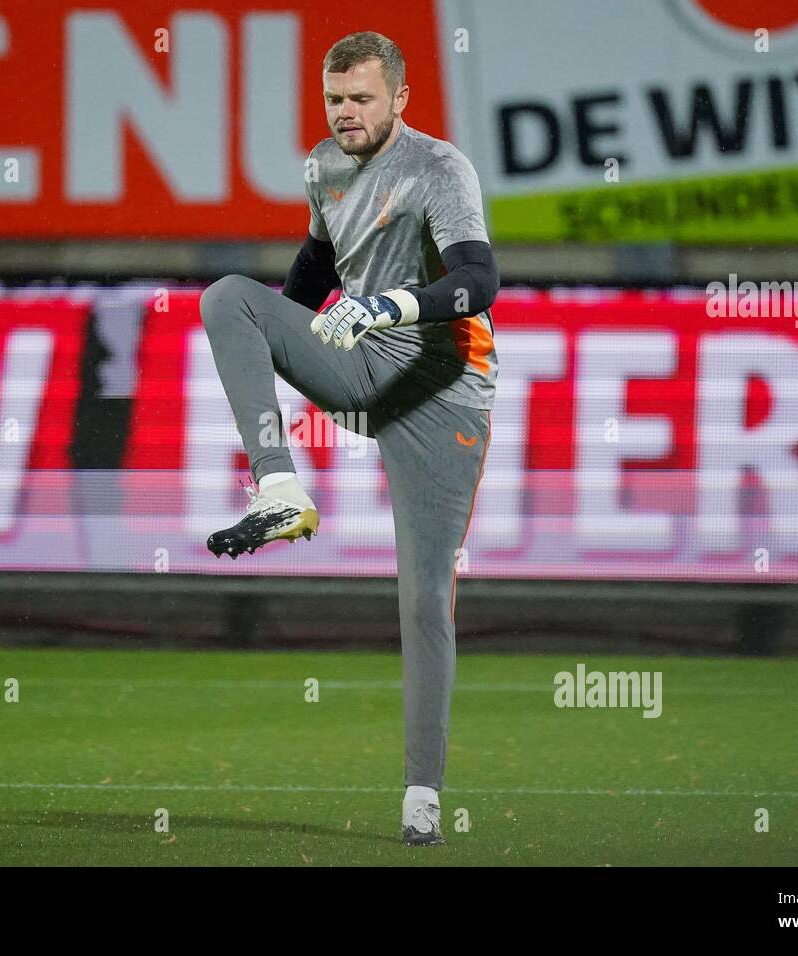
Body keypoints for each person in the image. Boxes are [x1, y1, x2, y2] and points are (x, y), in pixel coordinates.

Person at [198, 30, 499, 846]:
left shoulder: (441, 169)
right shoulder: (323, 168)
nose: (346, 113)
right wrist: (270, 338)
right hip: (365, 370)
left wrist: (391, 306)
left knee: (423, 599)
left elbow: (478, 280)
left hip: (444, 395)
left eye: (362, 98)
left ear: (400, 98)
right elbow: (309, 274)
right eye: (335, 99)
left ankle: (422, 798)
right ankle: (280, 487)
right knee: (230, 298)